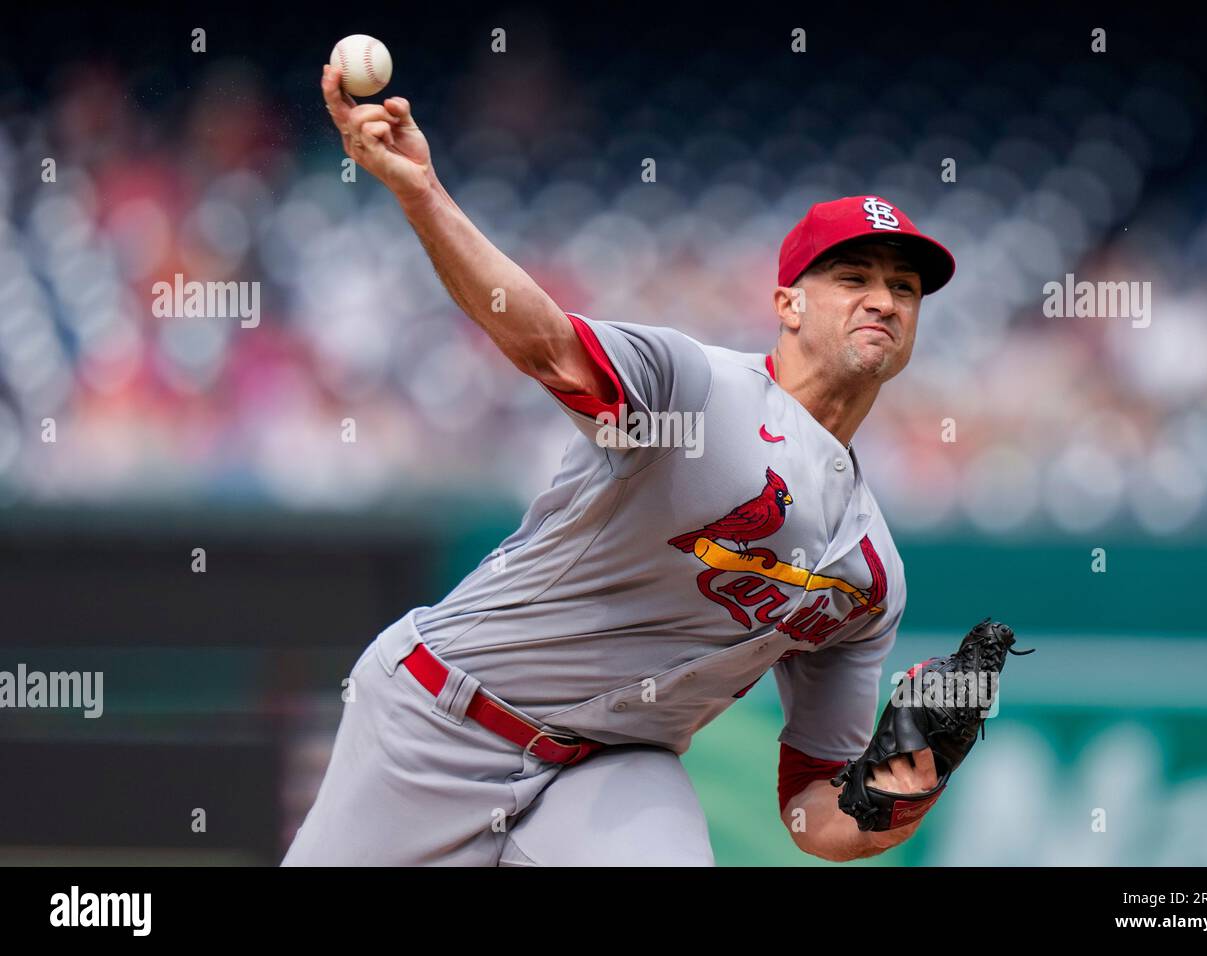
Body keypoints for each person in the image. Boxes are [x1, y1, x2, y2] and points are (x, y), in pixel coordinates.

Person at [282, 64, 955, 866]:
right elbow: (542, 342)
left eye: (904, 288)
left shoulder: (873, 575)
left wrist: (896, 796)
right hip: (439, 720)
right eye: (853, 278)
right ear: (788, 303)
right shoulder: (694, 388)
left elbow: (814, 812)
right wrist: (423, 193)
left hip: (614, 766)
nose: (883, 299)